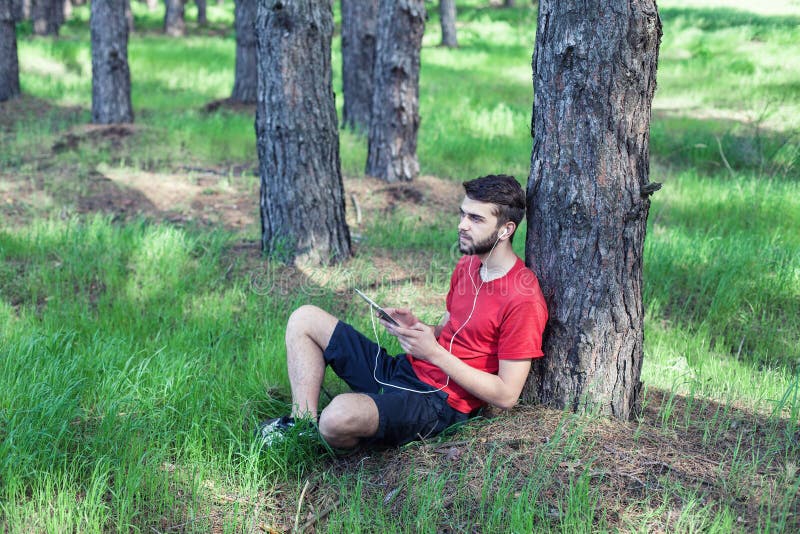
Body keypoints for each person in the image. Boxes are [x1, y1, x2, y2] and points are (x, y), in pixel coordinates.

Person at [258, 174, 548, 449]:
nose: (462, 225)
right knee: (304, 318)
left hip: (439, 403)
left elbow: (507, 394)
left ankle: (331, 427)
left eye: (475, 218)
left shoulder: (522, 298)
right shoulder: (469, 265)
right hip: (405, 371)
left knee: (338, 416)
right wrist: (416, 328)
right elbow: (452, 329)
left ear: (506, 229)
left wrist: (433, 353)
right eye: (462, 214)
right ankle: (302, 425)